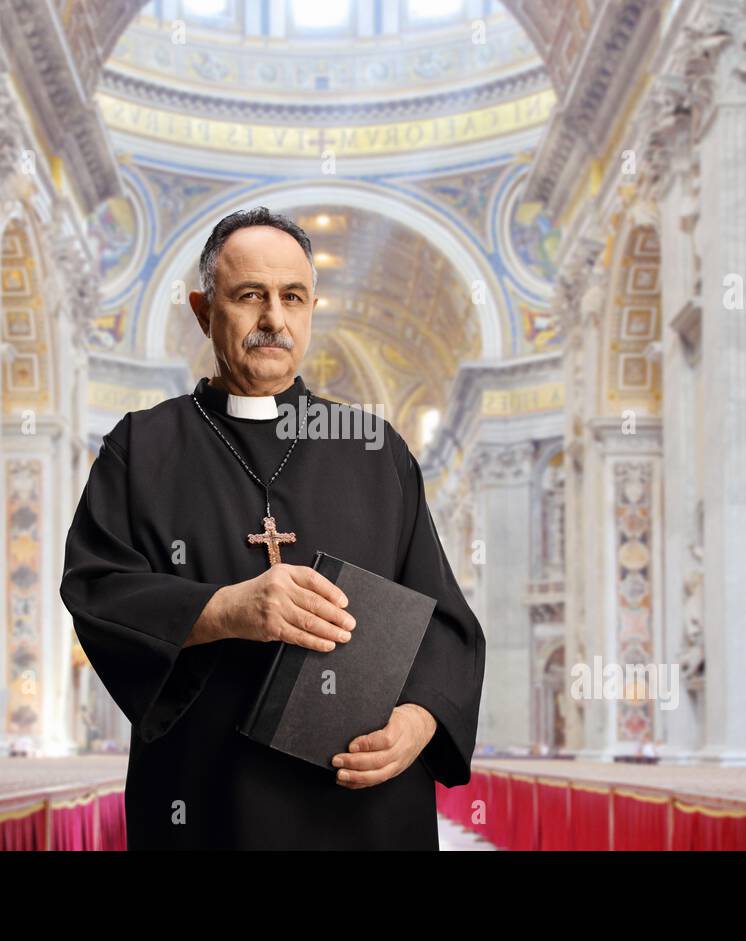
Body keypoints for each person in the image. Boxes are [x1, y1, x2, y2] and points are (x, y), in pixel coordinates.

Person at [61, 207, 486, 850]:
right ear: (205, 311)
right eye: (249, 296)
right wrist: (226, 607)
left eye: (293, 297)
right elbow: (96, 589)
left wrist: (420, 720)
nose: (274, 320)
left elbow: (444, 622)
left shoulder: (376, 449)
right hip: (207, 803)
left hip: (366, 808)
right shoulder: (141, 448)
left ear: (313, 307)